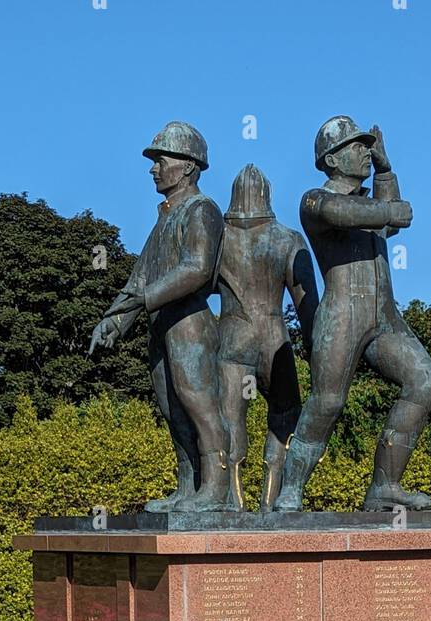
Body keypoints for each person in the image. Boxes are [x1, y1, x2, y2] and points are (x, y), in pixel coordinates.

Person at [274, 116, 431, 512]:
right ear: (331, 159)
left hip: (384, 317)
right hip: (343, 315)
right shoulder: (315, 200)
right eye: (356, 146)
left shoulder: (371, 205)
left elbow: (387, 223)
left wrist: (386, 169)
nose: (365, 152)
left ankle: (385, 486)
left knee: (425, 383)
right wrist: (389, 209)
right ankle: (289, 489)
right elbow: (344, 214)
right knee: (327, 403)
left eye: (367, 145)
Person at [90, 121, 230, 512]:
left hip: (190, 324)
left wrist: (144, 300)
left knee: (198, 402)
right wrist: (114, 321)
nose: (153, 169)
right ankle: (188, 487)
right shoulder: (164, 219)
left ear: (187, 166)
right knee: (173, 408)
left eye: (160, 160)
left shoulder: (202, 210)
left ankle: (216, 489)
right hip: (161, 327)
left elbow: (198, 268)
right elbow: (139, 277)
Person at [217, 164, 318, 510]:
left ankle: (233, 501)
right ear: (267, 195)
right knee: (285, 413)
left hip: (234, 339)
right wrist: (317, 351)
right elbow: (308, 306)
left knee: (230, 419)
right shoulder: (288, 238)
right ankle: (272, 499)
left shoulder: (218, 238)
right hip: (275, 339)